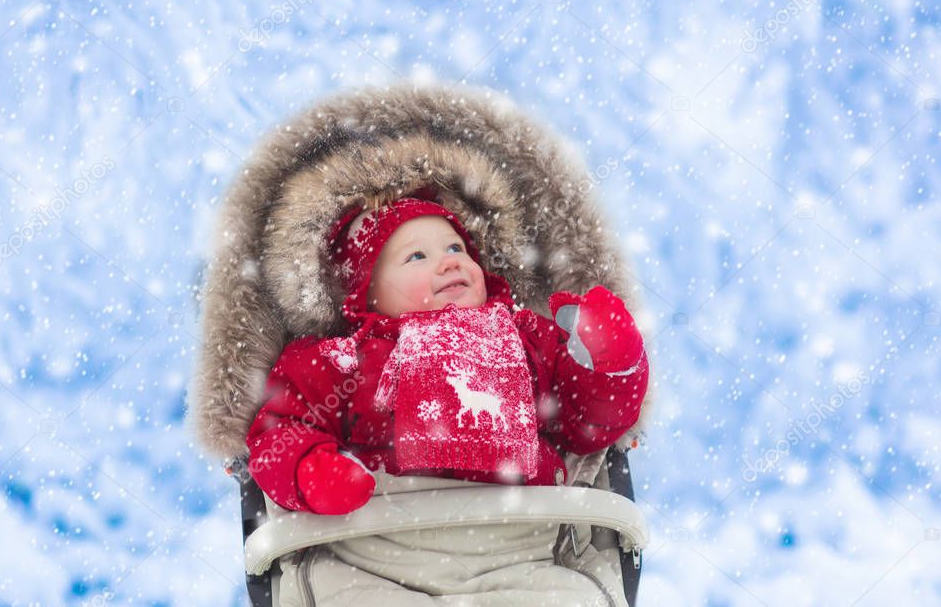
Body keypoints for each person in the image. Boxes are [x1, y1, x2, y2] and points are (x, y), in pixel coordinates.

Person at [246, 195, 648, 515]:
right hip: (381, 540)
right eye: (416, 256)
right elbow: (280, 430)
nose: (450, 261)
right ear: (365, 293)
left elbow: (587, 423)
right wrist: (312, 471)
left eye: (456, 246)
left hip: (522, 537)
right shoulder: (343, 358)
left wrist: (611, 362)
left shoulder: (525, 337)